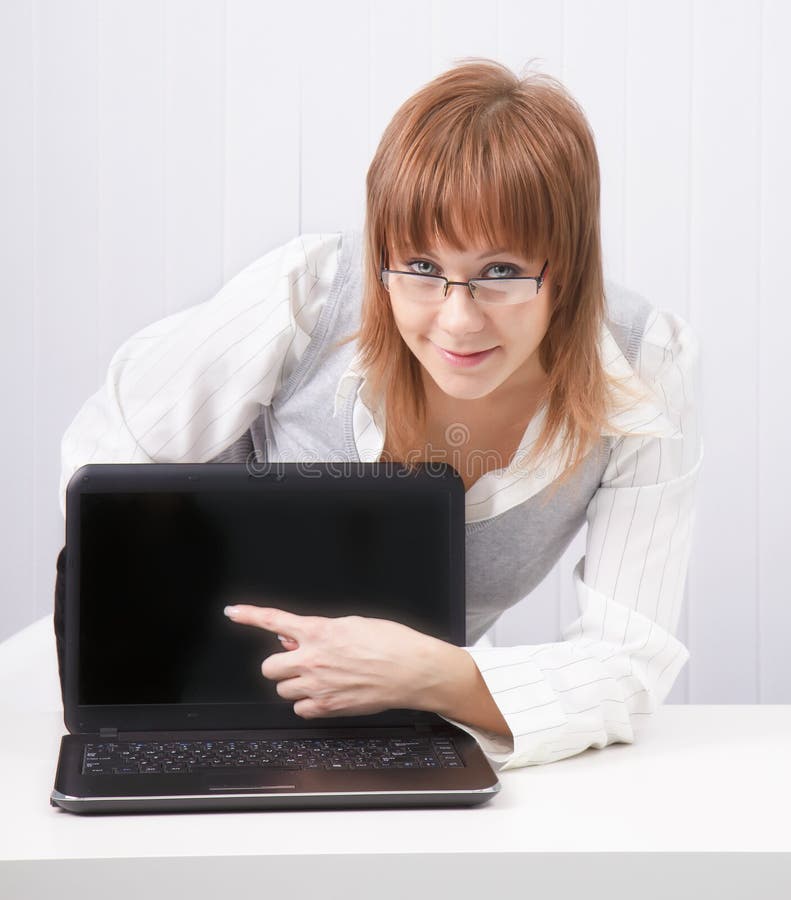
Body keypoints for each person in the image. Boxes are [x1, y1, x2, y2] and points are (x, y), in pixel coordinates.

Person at [56, 58, 703, 771]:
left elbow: (629, 662)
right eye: (421, 267)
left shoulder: (643, 369)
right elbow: (109, 446)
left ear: (570, 267)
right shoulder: (308, 297)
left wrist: (433, 677)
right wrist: (157, 640)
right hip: (195, 710)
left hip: (409, 727)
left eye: (499, 273)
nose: (457, 322)